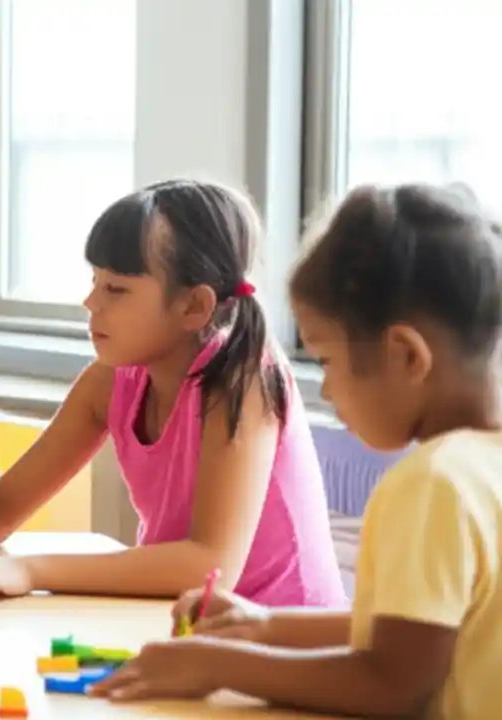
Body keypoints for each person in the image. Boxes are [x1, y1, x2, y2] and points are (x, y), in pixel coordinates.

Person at [91, 183, 502, 719]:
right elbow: (413, 635)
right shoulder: (481, 469)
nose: (325, 391)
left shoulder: (433, 484)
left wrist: (219, 666)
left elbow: (391, 682)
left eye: (327, 361)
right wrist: (266, 625)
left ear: (405, 355)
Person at [0, 180, 345, 609]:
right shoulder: (110, 381)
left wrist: (31, 570)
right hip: (183, 624)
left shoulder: (243, 381)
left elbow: (209, 565)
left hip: (282, 643)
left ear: (194, 307)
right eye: (94, 281)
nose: (89, 302)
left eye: (116, 289)